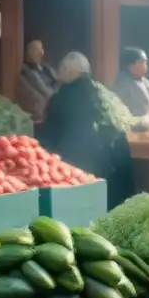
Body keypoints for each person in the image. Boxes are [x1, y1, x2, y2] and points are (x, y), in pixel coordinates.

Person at [39, 52, 135, 210]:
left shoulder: (60, 99)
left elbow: (49, 139)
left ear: (66, 72)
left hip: (82, 173)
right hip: (117, 172)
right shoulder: (105, 94)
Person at [112, 47, 149, 119]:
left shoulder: (147, 83)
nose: (145, 66)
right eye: (141, 62)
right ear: (130, 65)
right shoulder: (122, 83)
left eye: (145, 63)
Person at [16, 39, 59, 126]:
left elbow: (59, 82)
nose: (40, 52)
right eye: (35, 49)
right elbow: (42, 89)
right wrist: (58, 97)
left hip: (56, 97)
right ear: (28, 52)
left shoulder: (47, 68)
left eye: (41, 49)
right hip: (46, 102)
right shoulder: (26, 70)